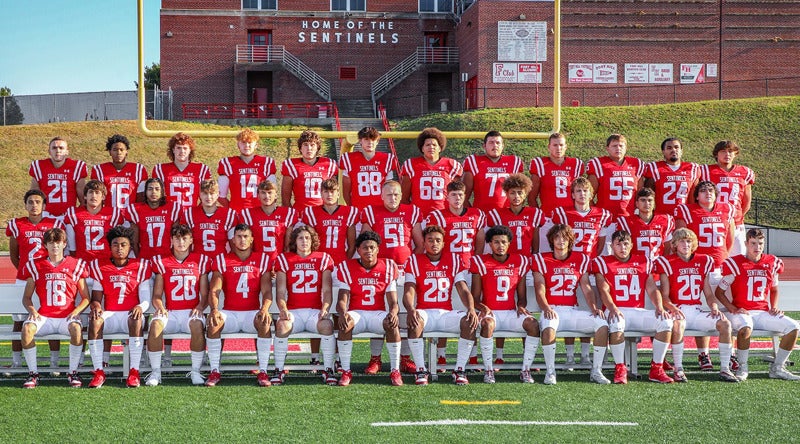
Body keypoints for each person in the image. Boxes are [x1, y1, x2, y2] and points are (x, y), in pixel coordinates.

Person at [654, 228, 738, 382]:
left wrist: (714, 307)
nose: (685, 244)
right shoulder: (667, 262)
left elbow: (709, 294)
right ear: (674, 244)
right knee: (678, 326)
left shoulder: (703, 261)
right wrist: (673, 308)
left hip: (696, 310)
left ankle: (725, 368)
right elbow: (664, 296)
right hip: (678, 309)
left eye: (688, 241)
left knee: (725, 324)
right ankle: (678, 369)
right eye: (681, 241)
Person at [592, 230, 676, 384]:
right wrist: (612, 308)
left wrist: (659, 307)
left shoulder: (643, 261)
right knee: (617, 323)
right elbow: (603, 290)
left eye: (625, 244)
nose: (622, 248)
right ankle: (620, 367)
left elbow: (651, 289)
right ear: (612, 246)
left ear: (631, 245)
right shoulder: (603, 262)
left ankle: (656, 368)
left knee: (666, 322)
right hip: (617, 310)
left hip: (637, 311)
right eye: (618, 244)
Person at [716, 228, 800, 381]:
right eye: (753, 243)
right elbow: (719, 292)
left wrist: (773, 306)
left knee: (794, 327)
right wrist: (733, 308)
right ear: (746, 244)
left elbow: (774, 289)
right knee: (745, 327)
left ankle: (777, 367)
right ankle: (742, 365)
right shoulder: (735, 264)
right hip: (742, 312)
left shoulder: (771, 263)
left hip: (762, 312)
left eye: (760, 243)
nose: (757, 247)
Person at [532, 224, 611, 385]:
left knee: (602, 325)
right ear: (551, 240)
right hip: (552, 309)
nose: (561, 241)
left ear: (570, 241)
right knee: (548, 327)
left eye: (565, 238)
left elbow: (587, 288)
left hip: (572, 310)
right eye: (557, 237)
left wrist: (594, 308)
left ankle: (596, 370)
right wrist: (546, 308)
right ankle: (550, 371)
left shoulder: (580, 259)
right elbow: (539, 289)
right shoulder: (541, 259)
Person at [360, 180, 424, 374]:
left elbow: (419, 244)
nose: (393, 198)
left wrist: (411, 266)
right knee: (380, 313)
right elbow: (365, 243)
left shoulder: (411, 211)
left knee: (404, 313)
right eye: (389, 194)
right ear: (381, 195)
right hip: (381, 271)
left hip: (405, 270)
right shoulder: (371, 212)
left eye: (396, 194)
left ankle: (404, 358)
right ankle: (375, 358)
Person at [403, 225, 479, 385]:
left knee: (469, 322)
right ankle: (420, 370)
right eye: (430, 240)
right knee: (414, 321)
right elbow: (409, 291)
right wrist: (411, 309)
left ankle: (459, 369)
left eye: (438, 240)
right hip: (425, 313)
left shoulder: (453, 260)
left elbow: (463, 290)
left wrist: (471, 309)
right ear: (423, 243)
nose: (434, 243)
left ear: (444, 243)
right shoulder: (414, 260)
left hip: (446, 313)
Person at [552, 177, 613, 365]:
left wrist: (590, 257)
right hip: (568, 267)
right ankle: (570, 355)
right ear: (572, 194)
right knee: (571, 310)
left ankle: (585, 354)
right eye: (578, 191)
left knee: (588, 310)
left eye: (585, 191)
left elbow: (601, 241)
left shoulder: (601, 214)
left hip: (589, 266)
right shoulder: (562, 214)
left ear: (591, 194)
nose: (582, 194)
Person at [674, 180, 735, 371]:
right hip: (698, 267)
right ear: (696, 195)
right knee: (701, 307)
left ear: (716, 194)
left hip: (719, 266)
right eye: (703, 190)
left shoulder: (726, 209)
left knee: (725, 311)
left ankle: (730, 354)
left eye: (711, 190)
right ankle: (703, 353)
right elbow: (682, 236)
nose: (707, 193)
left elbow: (729, 239)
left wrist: (721, 257)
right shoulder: (688, 210)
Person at [19, 228, 90, 388]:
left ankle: (73, 372)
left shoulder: (75, 265)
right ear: (45, 245)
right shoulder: (36, 265)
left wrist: (76, 312)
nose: (55, 246)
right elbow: (26, 297)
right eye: (51, 242)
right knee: (27, 329)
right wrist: (33, 311)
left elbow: (86, 298)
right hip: (45, 317)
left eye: (58, 242)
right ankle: (33, 374)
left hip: (66, 316)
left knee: (76, 329)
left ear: (64, 244)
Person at [470, 225, 540, 384]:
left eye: (503, 242)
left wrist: (521, 306)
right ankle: (488, 370)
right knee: (487, 324)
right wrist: (482, 307)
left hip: (509, 312)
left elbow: (521, 297)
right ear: (489, 244)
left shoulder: (519, 261)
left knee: (533, 324)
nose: (500, 245)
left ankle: (526, 369)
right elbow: (475, 297)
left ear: (509, 244)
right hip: (490, 313)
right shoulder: (481, 262)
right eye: (496, 242)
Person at [206, 223, 274, 387]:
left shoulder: (262, 260)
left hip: (252, 313)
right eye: (239, 237)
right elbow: (215, 290)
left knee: (264, 321)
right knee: (214, 322)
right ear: (233, 240)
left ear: (251, 239)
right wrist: (215, 310)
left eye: (245, 236)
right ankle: (215, 370)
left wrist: (264, 309)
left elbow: (266, 291)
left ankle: (263, 370)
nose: (242, 240)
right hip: (231, 313)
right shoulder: (222, 260)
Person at [86, 225, 153, 388]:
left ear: (130, 247)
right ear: (110, 247)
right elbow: (96, 298)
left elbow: (145, 299)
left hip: (130, 315)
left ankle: (134, 371)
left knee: (136, 319)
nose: (119, 248)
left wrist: (140, 307)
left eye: (124, 244)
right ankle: (99, 371)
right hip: (110, 314)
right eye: (115, 244)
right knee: (94, 321)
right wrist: (95, 306)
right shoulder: (100, 267)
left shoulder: (141, 266)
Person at [334, 231, 403, 386]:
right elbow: (342, 299)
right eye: (365, 248)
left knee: (392, 324)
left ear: (378, 249)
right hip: (357, 313)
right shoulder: (348, 267)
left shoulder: (388, 267)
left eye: (372, 247)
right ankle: (346, 370)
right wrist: (343, 313)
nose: (369, 251)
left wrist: (393, 313)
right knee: (345, 323)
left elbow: (393, 302)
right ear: (358, 250)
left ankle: (395, 370)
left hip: (377, 314)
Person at [145, 224, 211, 387]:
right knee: (155, 325)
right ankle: (155, 372)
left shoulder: (201, 261)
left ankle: (195, 371)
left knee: (197, 325)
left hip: (191, 311)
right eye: (177, 238)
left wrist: (201, 307)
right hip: (172, 312)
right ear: (171, 240)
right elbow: (157, 295)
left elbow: (204, 294)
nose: (181, 242)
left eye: (184, 238)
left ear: (191, 240)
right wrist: (159, 306)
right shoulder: (163, 262)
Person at [5, 190, 64, 371]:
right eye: (30, 202)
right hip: (24, 278)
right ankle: (17, 361)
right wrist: (26, 271)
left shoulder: (53, 224)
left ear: (44, 205)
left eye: (38, 202)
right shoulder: (17, 224)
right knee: (19, 320)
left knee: (49, 316)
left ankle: (54, 362)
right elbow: (14, 255)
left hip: (47, 278)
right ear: (25, 205)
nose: (34, 205)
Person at [273, 226, 337, 385]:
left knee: (327, 325)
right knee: (281, 326)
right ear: (295, 241)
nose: (304, 241)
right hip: (294, 312)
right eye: (300, 238)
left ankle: (328, 369)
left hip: (314, 312)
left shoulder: (323, 258)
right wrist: (283, 309)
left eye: (307, 238)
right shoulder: (284, 259)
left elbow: (327, 290)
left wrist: (325, 308)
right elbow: (280, 291)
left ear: (313, 240)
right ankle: (278, 370)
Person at [528, 132, 584, 254]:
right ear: (549, 147)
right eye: (554, 145)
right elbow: (531, 197)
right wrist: (539, 217)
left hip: (570, 217)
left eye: (561, 145)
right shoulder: (540, 164)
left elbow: (582, 192)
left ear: (566, 147)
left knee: (571, 255)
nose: (558, 148)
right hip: (548, 218)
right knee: (545, 254)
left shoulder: (576, 165)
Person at [700, 140, 755, 257]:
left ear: (735, 154)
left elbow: (746, 202)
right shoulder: (705, 171)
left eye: (730, 151)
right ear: (716, 154)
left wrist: (737, 217)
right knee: (714, 258)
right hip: (714, 222)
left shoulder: (745, 172)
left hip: (736, 222)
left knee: (738, 258)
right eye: (723, 151)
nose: (727, 154)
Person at [400, 127, 463, 216]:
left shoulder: (452, 165)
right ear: (422, 148)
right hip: (419, 216)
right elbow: (404, 197)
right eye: (427, 145)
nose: (431, 147)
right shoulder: (411, 165)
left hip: (444, 215)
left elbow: (457, 195)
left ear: (440, 148)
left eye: (434, 145)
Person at [423, 181, 486, 269]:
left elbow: (480, 243)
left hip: (468, 264)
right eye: (454, 195)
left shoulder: (476, 214)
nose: (457, 198)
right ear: (447, 197)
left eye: (460, 195)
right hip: (447, 265)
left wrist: (475, 262)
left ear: (464, 196)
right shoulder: (437, 216)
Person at [64, 180, 125, 263]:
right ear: (85, 196)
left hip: (106, 261)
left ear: (103, 197)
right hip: (82, 260)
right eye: (90, 192)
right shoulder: (74, 214)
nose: (93, 195)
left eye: (97, 192)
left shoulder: (113, 214)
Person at [300, 178, 358, 265]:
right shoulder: (311, 213)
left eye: (332, 191)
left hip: (340, 261)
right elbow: (311, 243)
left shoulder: (349, 212)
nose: (329, 195)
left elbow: (352, 245)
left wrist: (345, 261)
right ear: (321, 194)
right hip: (319, 260)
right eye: (326, 191)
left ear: (338, 194)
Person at [587, 134, 645, 219]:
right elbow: (588, 196)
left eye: (621, 146)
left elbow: (640, 194)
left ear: (626, 148)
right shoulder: (599, 165)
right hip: (605, 218)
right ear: (607, 148)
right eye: (614, 146)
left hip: (629, 217)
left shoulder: (636, 164)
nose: (618, 148)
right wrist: (596, 213)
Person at [217, 128, 277, 211]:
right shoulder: (228, 164)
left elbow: (272, 195)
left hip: (259, 212)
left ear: (256, 145)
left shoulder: (266, 163)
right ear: (238, 145)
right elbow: (221, 196)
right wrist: (233, 209)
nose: (246, 146)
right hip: (238, 212)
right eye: (243, 142)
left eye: (250, 142)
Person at [240, 180, 299, 264]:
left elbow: (287, 247)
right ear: (258, 196)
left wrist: (283, 264)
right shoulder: (248, 214)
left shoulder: (287, 214)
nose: (266, 196)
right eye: (263, 193)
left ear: (276, 195)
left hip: (279, 262)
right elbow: (248, 246)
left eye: (270, 192)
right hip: (257, 263)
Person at [29, 136, 88, 218]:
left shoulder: (76, 167)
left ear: (67, 151)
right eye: (54, 148)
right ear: (49, 151)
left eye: (61, 148)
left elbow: (83, 200)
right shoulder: (39, 166)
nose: (58, 150)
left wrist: (77, 216)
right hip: (46, 215)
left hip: (68, 215)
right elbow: (34, 196)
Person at [339, 126, 398, 209]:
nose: (370, 142)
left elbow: (390, 188)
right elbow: (346, 191)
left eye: (373, 139)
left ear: (377, 141)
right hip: (359, 208)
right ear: (360, 141)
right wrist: (352, 207)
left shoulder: (386, 159)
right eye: (366, 139)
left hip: (381, 208)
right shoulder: (349, 159)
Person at [462, 130, 524, 209]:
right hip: (483, 215)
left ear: (503, 146)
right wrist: (473, 213)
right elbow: (464, 196)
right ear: (484, 146)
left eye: (498, 143)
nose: (495, 146)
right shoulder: (474, 162)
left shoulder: (514, 162)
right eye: (491, 142)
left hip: (506, 215)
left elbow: (521, 194)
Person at [280, 129, 338, 210]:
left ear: (317, 148)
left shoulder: (329, 165)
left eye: (312, 145)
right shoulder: (291, 166)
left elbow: (334, 194)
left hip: (322, 213)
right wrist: (291, 216)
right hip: (301, 215)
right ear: (300, 148)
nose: (309, 148)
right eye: (305, 145)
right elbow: (285, 199)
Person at [180, 179, 238, 258]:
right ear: (199, 194)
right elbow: (184, 245)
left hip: (220, 262)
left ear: (218, 194)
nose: (208, 197)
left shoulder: (229, 215)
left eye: (212, 193)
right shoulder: (189, 214)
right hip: (197, 262)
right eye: (205, 193)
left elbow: (234, 247)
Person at [152, 132, 211, 209]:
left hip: (191, 216)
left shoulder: (201, 170)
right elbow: (155, 197)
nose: (182, 151)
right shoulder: (160, 169)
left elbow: (209, 196)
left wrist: (197, 212)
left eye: (185, 148)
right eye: (178, 148)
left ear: (190, 150)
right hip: (169, 216)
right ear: (173, 150)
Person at [643, 137, 699, 217]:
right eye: (669, 148)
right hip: (662, 216)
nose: (673, 150)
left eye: (676, 147)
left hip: (684, 216)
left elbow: (693, 197)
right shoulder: (654, 168)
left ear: (681, 151)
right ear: (663, 151)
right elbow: (648, 194)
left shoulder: (692, 168)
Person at [128, 177, 182, 259]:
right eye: (150, 189)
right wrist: (140, 259)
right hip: (145, 257)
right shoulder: (136, 210)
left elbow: (177, 238)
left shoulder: (172, 208)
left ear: (162, 192)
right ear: (145, 192)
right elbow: (134, 242)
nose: (153, 192)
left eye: (157, 189)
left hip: (167, 257)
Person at [91, 134, 148, 211]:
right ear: (110, 152)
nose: (118, 152)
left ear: (126, 152)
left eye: (122, 149)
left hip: (130, 216)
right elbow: (96, 197)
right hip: (109, 216)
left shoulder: (138, 170)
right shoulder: (99, 170)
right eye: (115, 149)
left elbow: (141, 199)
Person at [616, 188, 674, 260]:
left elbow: (667, 247)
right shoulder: (626, 222)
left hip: (657, 264)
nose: (647, 203)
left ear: (654, 203)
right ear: (637, 203)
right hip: (636, 265)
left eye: (650, 200)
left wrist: (662, 262)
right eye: (643, 200)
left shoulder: (666, 220)